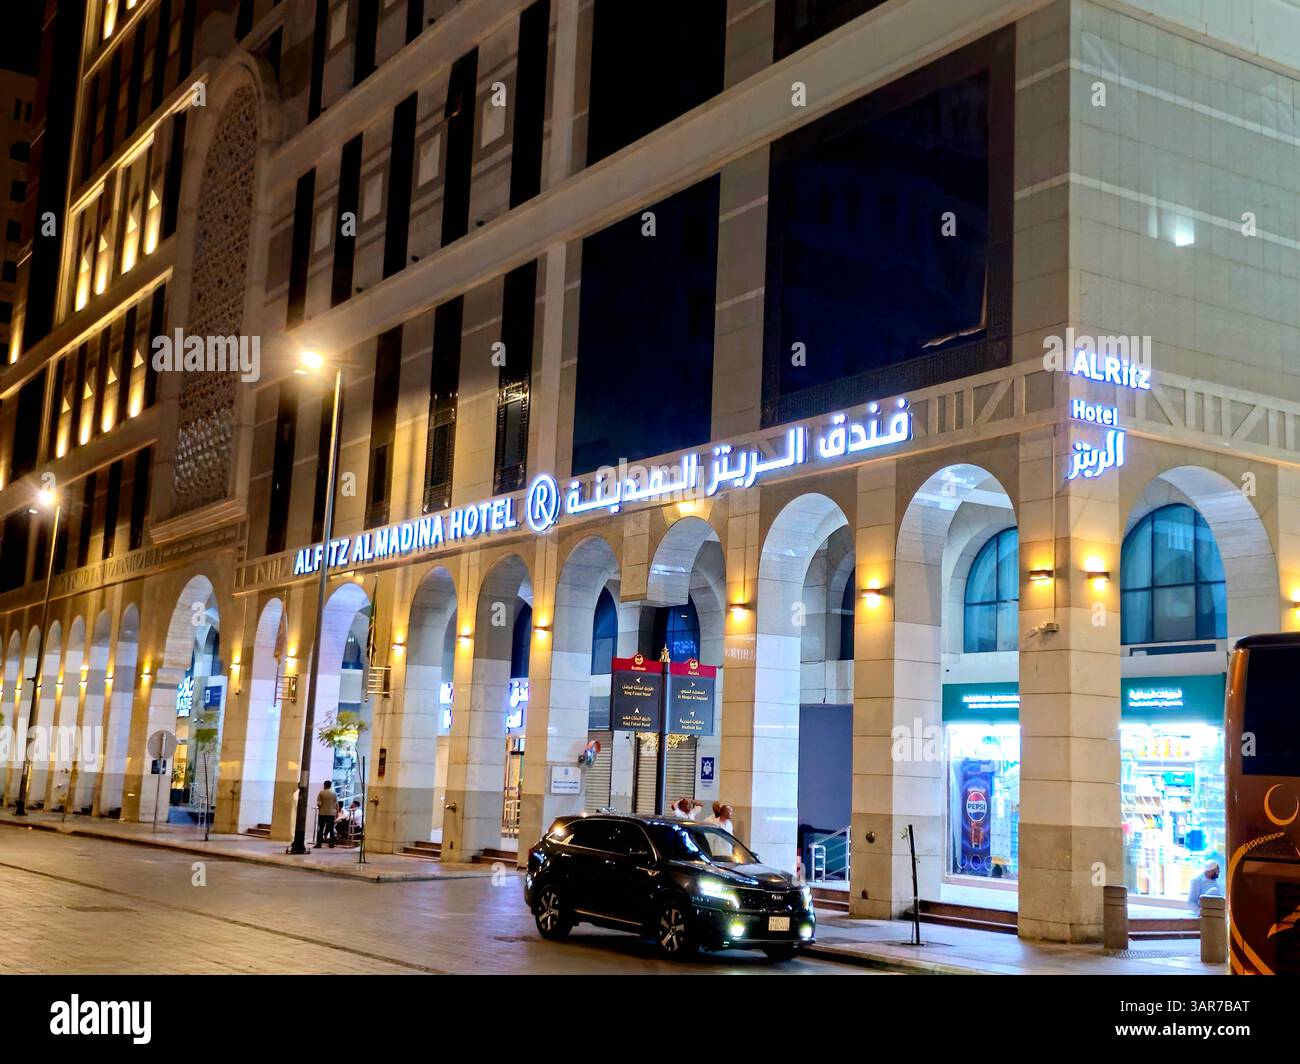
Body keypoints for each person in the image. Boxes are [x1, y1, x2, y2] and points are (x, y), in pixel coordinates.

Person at [315, 781, 339, 848]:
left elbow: (319, 803)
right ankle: (331, 843)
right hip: (331, 814)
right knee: (331, 829)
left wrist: (320, 807)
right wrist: (337, 813)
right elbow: (336, 804)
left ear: (325, 785)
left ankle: (319, 843)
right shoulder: (334, 793)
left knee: (320, 828)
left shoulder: (321, 792)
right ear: (330, 785)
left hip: (322, 813)